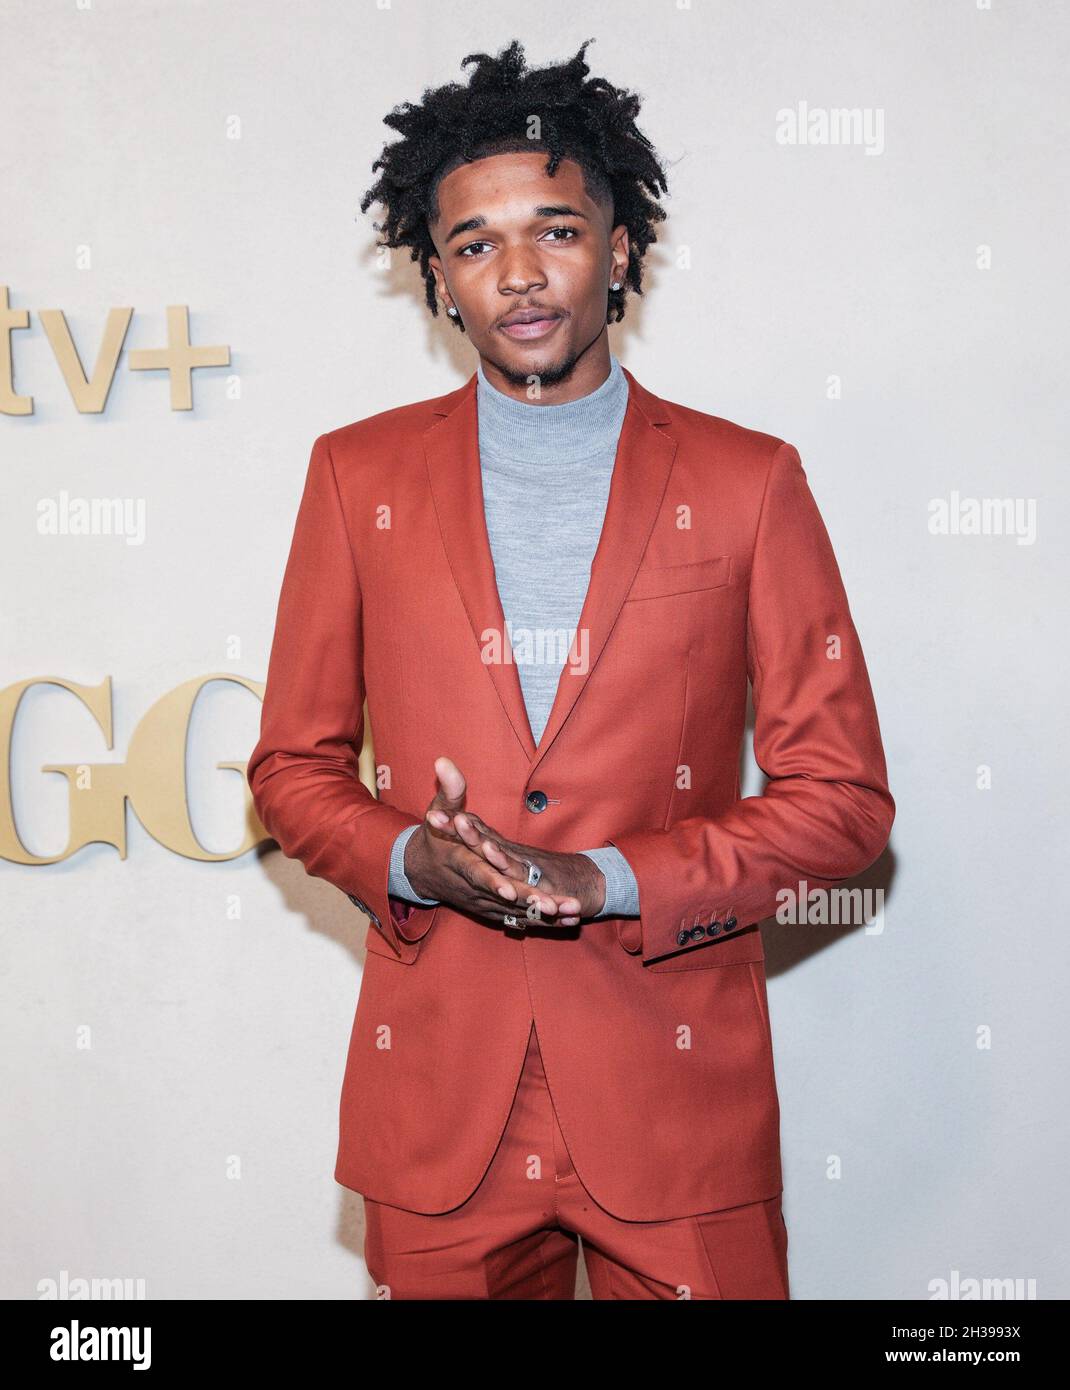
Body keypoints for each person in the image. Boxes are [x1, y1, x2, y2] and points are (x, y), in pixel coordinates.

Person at [246, 38, 894, 1300]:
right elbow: (290, 764)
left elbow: (844, 802)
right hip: (439, 1111)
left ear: (624, 248)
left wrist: (603, 878)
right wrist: (400, 856)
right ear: (437, 279)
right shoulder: (352, 476)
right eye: (476, 244)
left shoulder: (744, 480)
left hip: (675, 1104)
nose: (522, 275)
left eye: (556, 228)